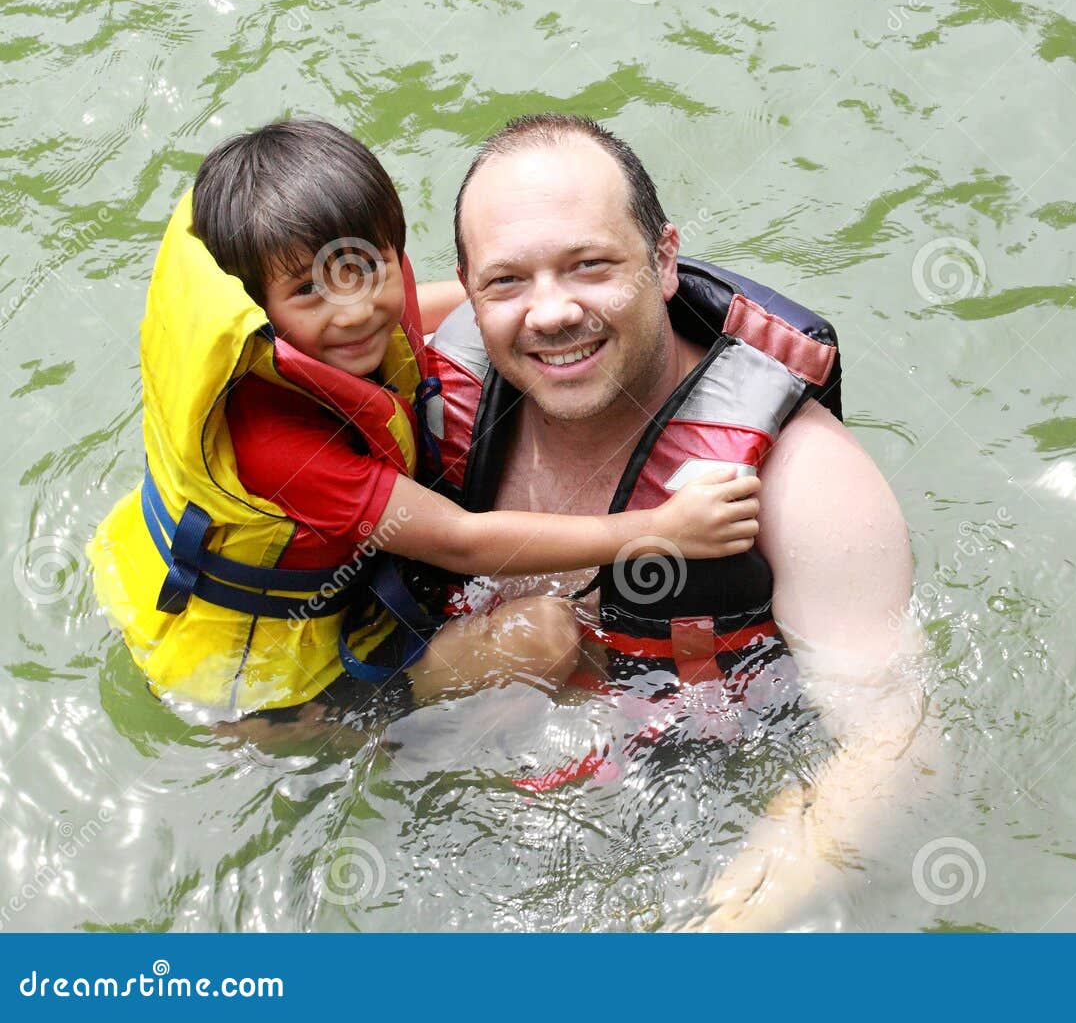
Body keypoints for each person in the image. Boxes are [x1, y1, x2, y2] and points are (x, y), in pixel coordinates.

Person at [88, 118, 761, 719]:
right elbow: (462, 542)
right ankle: (347, 731)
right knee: (546, 636)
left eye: (367, 267)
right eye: (307, 290)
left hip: (327, 584)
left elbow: (461, 301)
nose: (356, 310)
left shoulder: (349, 313)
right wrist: (659, 529)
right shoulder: (281, 444)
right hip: (267, 682)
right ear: (257, 308)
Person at [430, 114, 926, 928]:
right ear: (469, 288)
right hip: (475, 772)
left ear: (664, 259)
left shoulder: (805, 481)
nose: (550, 312)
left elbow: (895, 742)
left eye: (589, 265)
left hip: (700, 792)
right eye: (508, 280)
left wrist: (713, 930)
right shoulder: (428, 400)